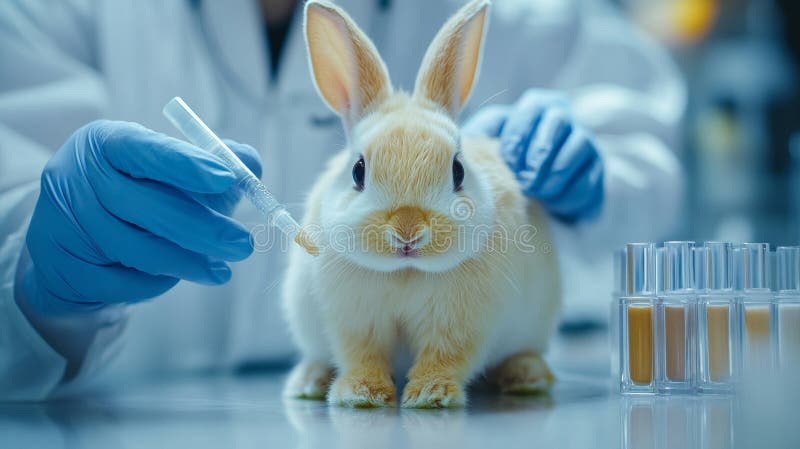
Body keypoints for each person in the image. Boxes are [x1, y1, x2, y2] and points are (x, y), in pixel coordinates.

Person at [0, 0, 685, 400]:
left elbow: (639, 128)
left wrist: (593, 171)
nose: (409, 230)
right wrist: (33, 274)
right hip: (114, 414)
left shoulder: (518, 16)